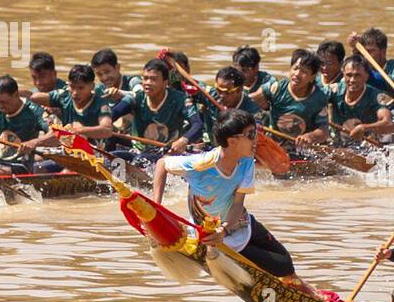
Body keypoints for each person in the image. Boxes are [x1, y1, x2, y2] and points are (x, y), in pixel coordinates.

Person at [153, 109, 299, 280]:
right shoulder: (202, 164)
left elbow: (238, 204)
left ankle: (305, 289)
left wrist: (224, 229)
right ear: (233, 141)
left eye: (256, 133)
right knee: (279, 268)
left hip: (239, 224)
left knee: (285, 262)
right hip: (215, 238)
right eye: (251, 135)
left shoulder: (246, 162)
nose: (256, 140)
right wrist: (157, 206)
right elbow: (162, 164)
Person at [108, 58, 203, 163]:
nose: (147, 83)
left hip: (166, 153)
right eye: (145, 78)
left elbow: (197, 125)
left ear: (165, 82)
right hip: (138, 151)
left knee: (140, 161)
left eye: (153, 79)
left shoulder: (180, 100)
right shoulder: (136, 97)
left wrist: (183, 140)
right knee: (110, 157)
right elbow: (114, 113)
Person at [251, 49, 330, 146]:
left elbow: (324, 131)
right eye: (295, 68)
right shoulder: (276, 88)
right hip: (274, 145)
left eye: (304, 71)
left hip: (301, 148)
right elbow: (249, 100)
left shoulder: (319, 98)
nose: (297, 74)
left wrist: (310, 136)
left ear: (312, 77)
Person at [0, 75, 50, 177]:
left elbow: (57, 135)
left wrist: (34, 142)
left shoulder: (35, 111)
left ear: (16, 95)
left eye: (4, 102)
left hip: (20, 164)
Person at [329, 54, 392, 145]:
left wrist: (365, 128)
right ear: (343, 75)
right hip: (339, 144)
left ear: (366, 76)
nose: (352, 80)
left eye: (357, 75)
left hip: (367, 146)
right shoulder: (334, 90)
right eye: (349, 75)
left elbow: (388, 124)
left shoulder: (376, 96)